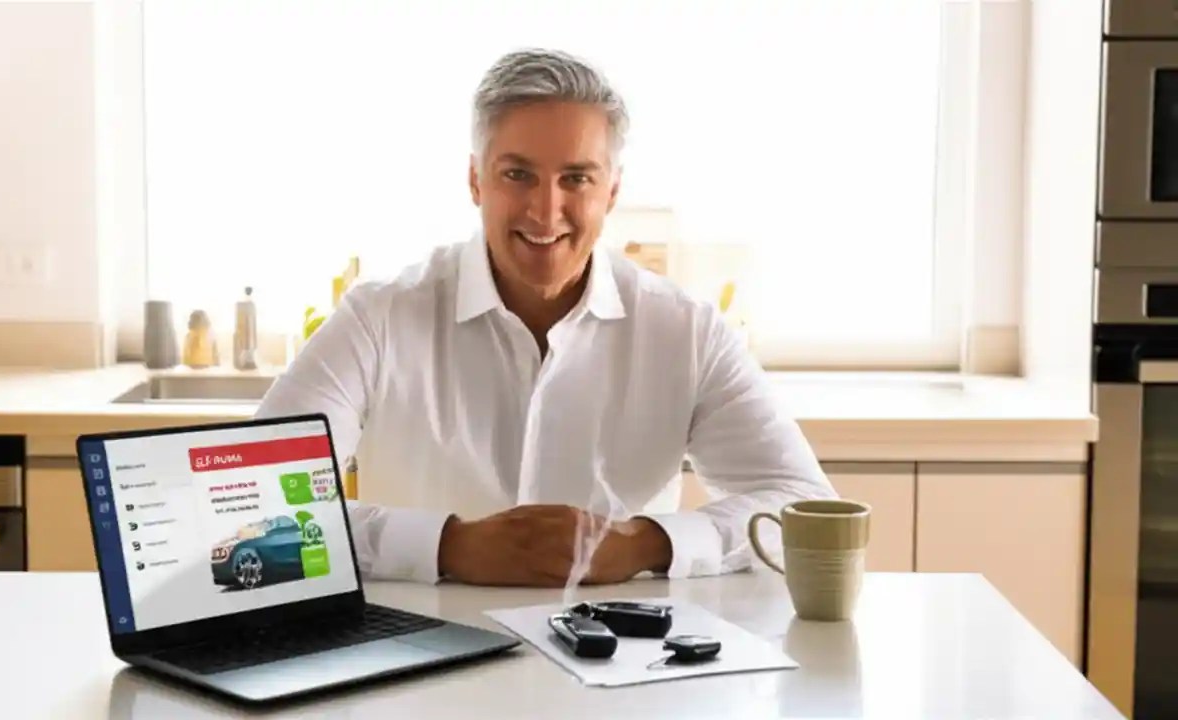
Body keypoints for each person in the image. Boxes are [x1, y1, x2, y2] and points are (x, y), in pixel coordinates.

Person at [255, 47, 836, 587]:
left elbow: (804, 504)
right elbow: (253, 501)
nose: (545, 209)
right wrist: (446, 546)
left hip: (625, 652)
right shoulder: (378, 318)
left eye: (576, 178)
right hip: (418, 652)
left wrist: (646, 543)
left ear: (611, 191)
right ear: (476, 180)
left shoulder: (687, 331)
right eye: (518, 175)